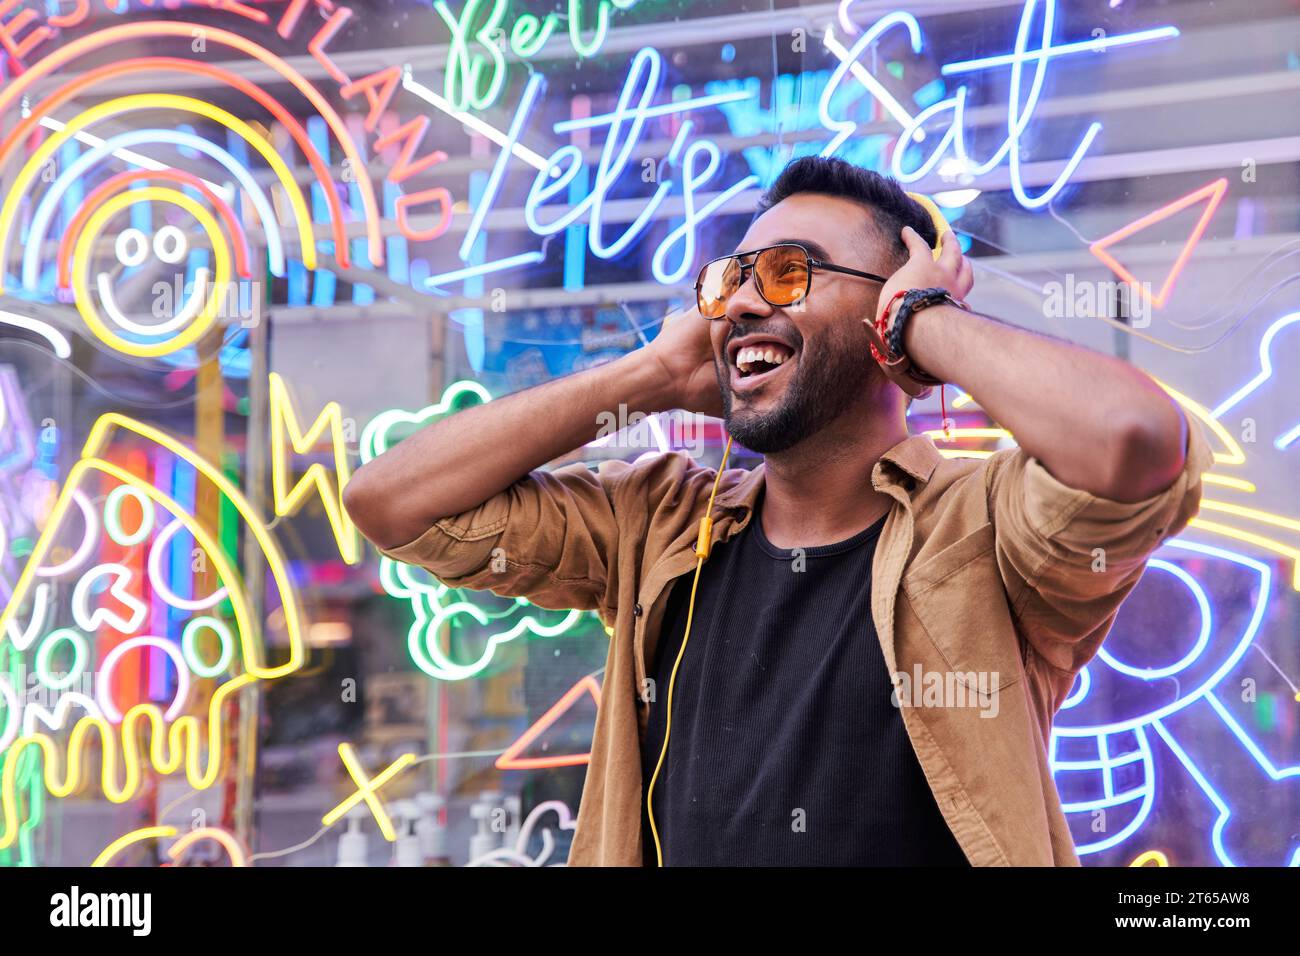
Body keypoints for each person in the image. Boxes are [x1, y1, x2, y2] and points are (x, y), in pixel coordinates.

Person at [344, 156, 1212, 866]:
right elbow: (392, 502)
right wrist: (650, 375)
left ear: (885, 315)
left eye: (791, 272)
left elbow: (1130, 439)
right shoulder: (659, 521)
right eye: (733, 281)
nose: (747, 303)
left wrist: (925, 319)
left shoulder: (982, 526)